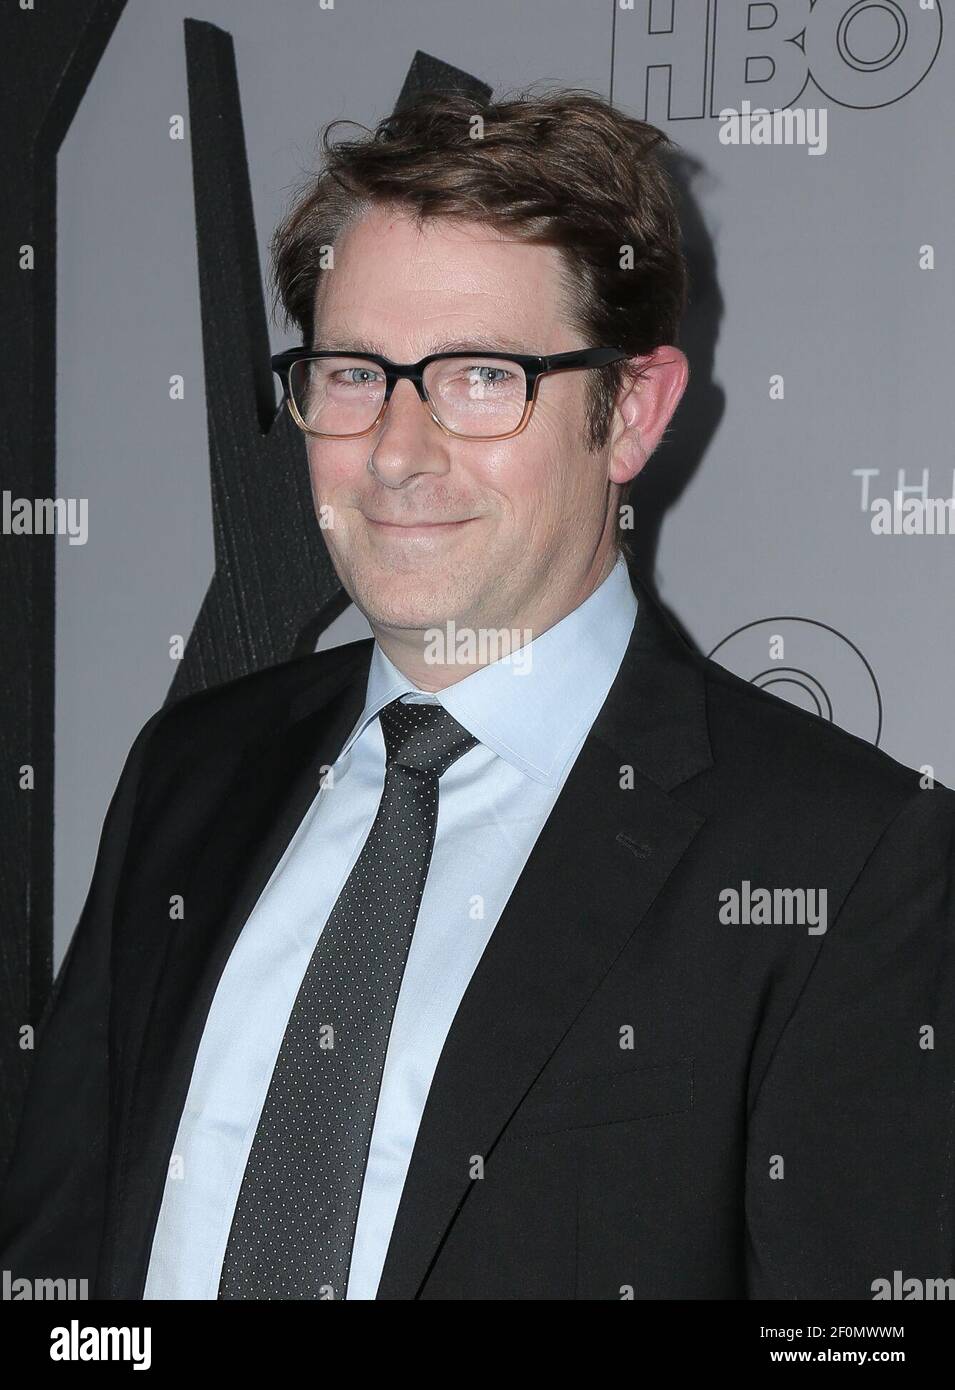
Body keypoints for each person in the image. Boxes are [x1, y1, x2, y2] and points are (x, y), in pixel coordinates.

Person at [1, 88, 952, 1302]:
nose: (395, 452)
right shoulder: (192, 770)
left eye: (479, 377)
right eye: (353, 373)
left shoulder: (847, 856)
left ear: (632, 412)